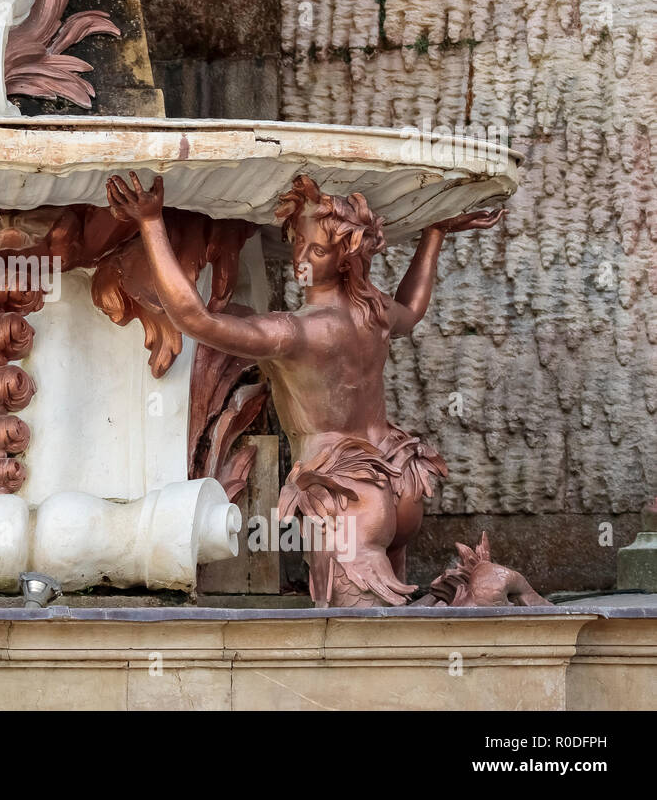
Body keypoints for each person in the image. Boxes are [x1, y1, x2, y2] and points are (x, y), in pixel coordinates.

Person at [106, 172, 503, 607]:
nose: (300, 257)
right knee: (400, 627)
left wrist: (151, 223)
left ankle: (491, 591)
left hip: (345, 489)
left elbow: (197, 320)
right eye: (297, 241)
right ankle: (490, 589)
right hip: (398, 475)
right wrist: (434, 234)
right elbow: (412, 309)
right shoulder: (374, 312)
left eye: (316, 249)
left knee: (362, 645)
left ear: (346, 258)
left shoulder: (295, 332)